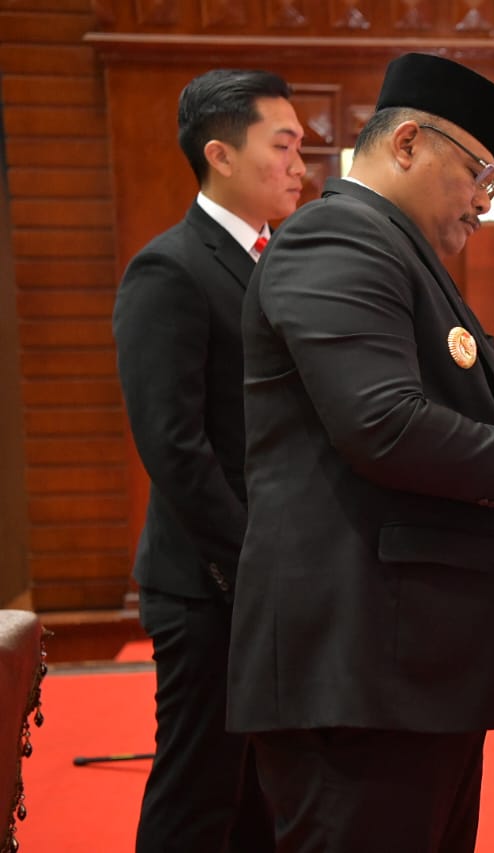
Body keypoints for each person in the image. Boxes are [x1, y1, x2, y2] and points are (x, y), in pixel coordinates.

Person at [225, 53, 494, 853]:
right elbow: (384, 425)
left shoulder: (397, 250)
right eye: (480, 171)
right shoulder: (335, 241)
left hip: (409, 674)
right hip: (359, 677)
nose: (487, 200)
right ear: (410, 142)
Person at [112, 69, 305, 853]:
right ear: (220, 155)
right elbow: (174, 447)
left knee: (261, 794)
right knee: (197, 792)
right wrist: (253, 565)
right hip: (210, 584)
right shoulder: (170, 269)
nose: (301, 162)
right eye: (283, 144)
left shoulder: (282, 260)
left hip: (269, 580)